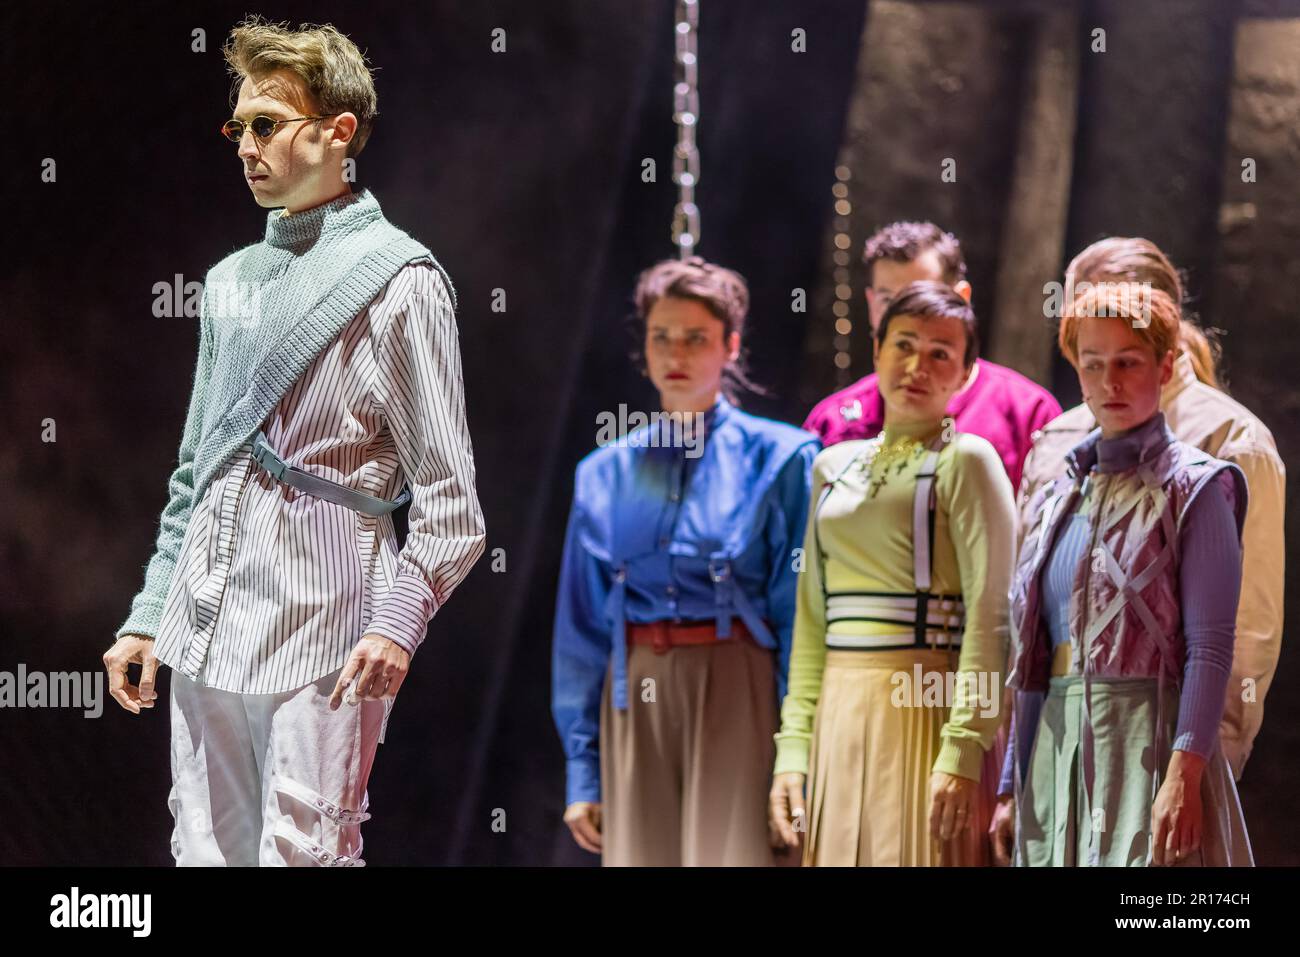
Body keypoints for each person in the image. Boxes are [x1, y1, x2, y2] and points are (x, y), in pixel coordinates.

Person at [102, 17, 485, 866]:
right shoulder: (231, 280)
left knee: (306, 849)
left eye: (266, 124)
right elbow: (195, 471)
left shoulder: (402, 278)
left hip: (330, 615)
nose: (245, 145)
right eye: (237, 127)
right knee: (201, 848)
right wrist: (148, 615)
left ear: (339, 130)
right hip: (206, 611)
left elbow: (452, 506)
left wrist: (397, 622)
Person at [551, 257, 819, 866]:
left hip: (740, 688)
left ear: (730, 345)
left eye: (696, 337)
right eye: (661, 336)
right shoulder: (603, 473)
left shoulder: (782, 458)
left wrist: (795, 751)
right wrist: (583, 772)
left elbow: (799, 615)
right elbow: (581, 631)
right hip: (634, 692)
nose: (676, 352)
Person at [996, 283, 1252, 867]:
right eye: (1093, 364)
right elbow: (1033, 657)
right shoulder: (1060, 492)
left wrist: (1185, 771)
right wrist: (1012, 783)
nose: (1109, 381)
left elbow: (1211, 648)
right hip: (1055, 748)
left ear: (1164, 367)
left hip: (1150, 743)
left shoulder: (1198, 487)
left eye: (1128, 362)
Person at [1015, 237, 1284, 781]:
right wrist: (1015, 764)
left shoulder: (1229, 439)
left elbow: (1246, 629)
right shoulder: (1056, 442)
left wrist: (1207, 765)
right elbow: (1026, 617)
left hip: (1163, 745)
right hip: (1056, 744)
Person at [770, 281, 1015, 865]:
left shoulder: (969, 460)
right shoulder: (830, 466)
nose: (917, 365)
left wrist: (963, 748)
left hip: (927, 708)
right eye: (903, 344)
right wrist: (793, 750)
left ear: (965, 373)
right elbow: (811, 622)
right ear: (875, 349)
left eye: (940, 353)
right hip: (839, 710)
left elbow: (993, 614)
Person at [804, 221, 1061, 492]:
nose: (903, 316)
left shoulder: (1028, 413)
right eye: (889, 301)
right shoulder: (834, 420)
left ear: (961, 298)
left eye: (920, 298)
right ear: (870, 304)